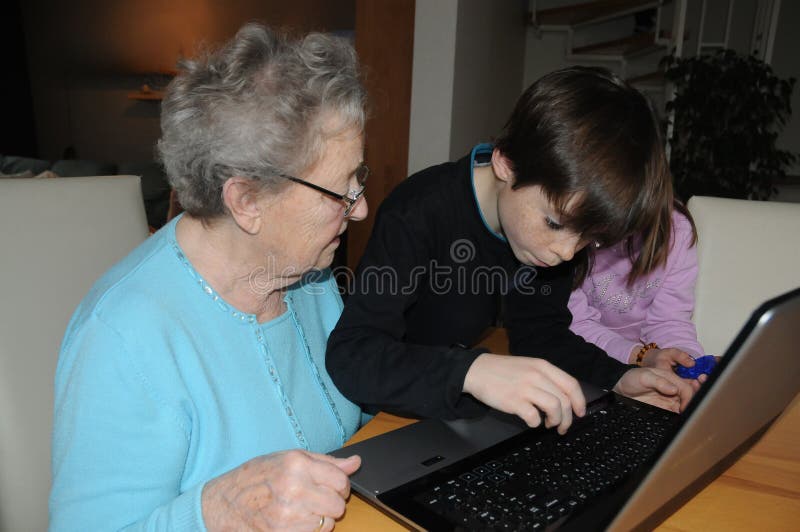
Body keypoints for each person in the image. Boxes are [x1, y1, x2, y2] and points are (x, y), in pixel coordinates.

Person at [50, 24, 369, 531]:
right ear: (247, 202)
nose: (360, 208)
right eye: (340, 191)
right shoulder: (123, 339)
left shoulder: (304, 271)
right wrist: (216, 511)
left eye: (359, 177)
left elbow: (355, 413)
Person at [326, 66, 698, 435]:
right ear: (505, 163)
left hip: (457, 412)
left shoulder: (543, 238)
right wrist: (472, 371)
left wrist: (619, 377)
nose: (567, 253)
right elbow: (354, 355)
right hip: (386, 418)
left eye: (589, 238)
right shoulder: (417, 213)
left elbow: (540, 334)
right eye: (554, 223)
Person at [568, 202, 706, 369]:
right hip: (580, 355)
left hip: (645, 359)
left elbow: (670, 320)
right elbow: (573, 324)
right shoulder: (570, 223)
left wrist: (686, 362)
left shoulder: (676, 229)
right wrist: (641, 356)